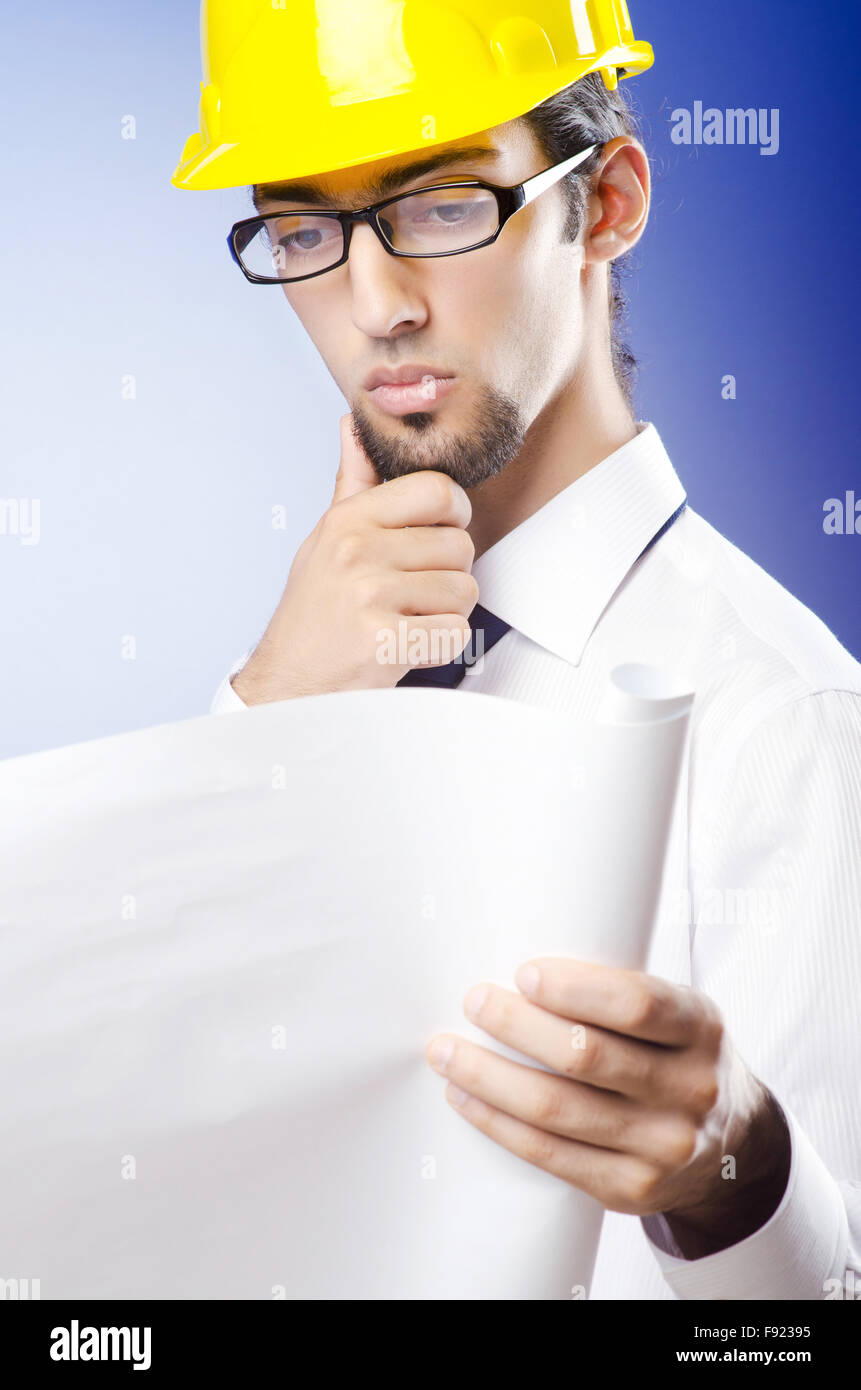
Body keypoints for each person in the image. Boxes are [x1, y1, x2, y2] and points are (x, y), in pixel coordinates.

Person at [173, 1, 861, 1299]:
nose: (372, 306)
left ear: (602, 204)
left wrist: (735, 1174)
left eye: (438, 205)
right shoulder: (302, 678)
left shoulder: (793, 722)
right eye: (305, 229)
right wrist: (260, 724)